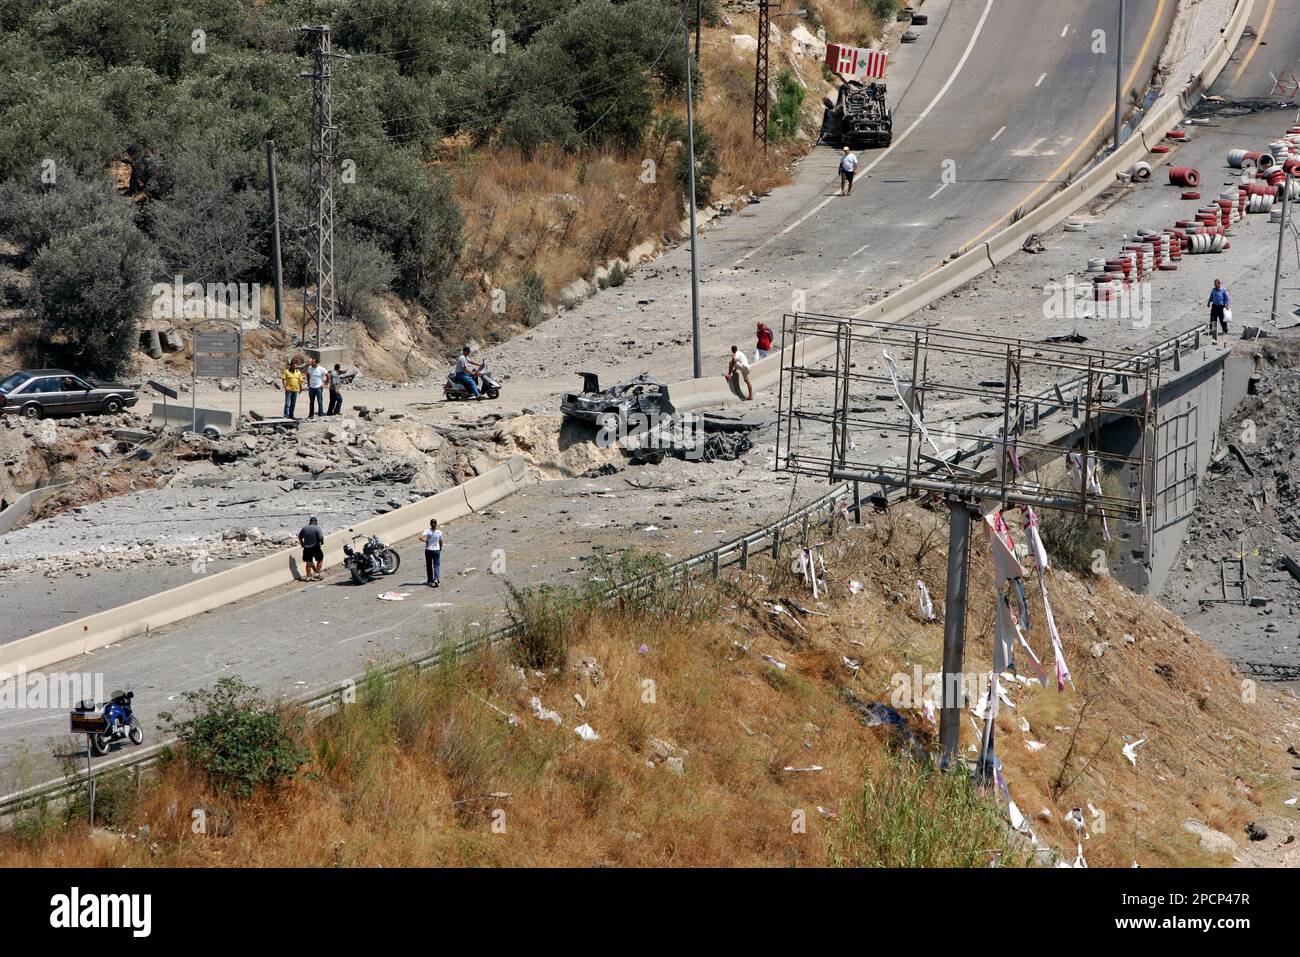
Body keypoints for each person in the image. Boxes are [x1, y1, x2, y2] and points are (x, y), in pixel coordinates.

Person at [298, 515, 325, 581]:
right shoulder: (317, 528)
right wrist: (322, 542)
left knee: (308, 562)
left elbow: (300, 537)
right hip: (316, 547)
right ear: (315, 522)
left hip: (307, 548)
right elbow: (321, 537)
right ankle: (316, 573)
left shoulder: (304, 528)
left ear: (310, 522)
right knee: (320, 559)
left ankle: (308, 576)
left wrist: (302, 544)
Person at [420, 517, 444, 587]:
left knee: (429, 565)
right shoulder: (439, 532)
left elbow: (420, 537)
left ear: (430, 524)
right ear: (436, 524)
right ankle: (436, 579)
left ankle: (430, 580)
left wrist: (425, 541)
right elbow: (441, 541)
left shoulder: (427, 530)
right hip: (436, 550)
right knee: (436, 565)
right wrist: (440, 548)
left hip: (428, 550)